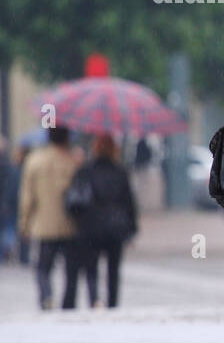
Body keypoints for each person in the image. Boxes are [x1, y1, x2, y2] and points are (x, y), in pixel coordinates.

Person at [67, 134, 137, 308]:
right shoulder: (120, 172)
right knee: (113, 270)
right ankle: (112, 304)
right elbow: (129, 202)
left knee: (91, 268)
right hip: (115, 227)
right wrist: (132, 229)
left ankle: (95, 301)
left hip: (91, 227)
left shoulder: (85, 171)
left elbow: (75, 200)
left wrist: (78, 220)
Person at [18, 125, 81, 309]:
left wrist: (24, 223)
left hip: (44, 224)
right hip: (70, 223)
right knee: (71, 269)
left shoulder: (34, 161)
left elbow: (27, 197)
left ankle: (47, 296)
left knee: (43, 267)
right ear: (67, 138)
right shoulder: (73, 161)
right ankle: (68, 303)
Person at [0, 137, 17, 263]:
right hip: (5, 203)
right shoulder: (8, 164)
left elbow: (9, 185)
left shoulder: (7, 165)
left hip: (5, 203)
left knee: (6, 229)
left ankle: (5, 251)